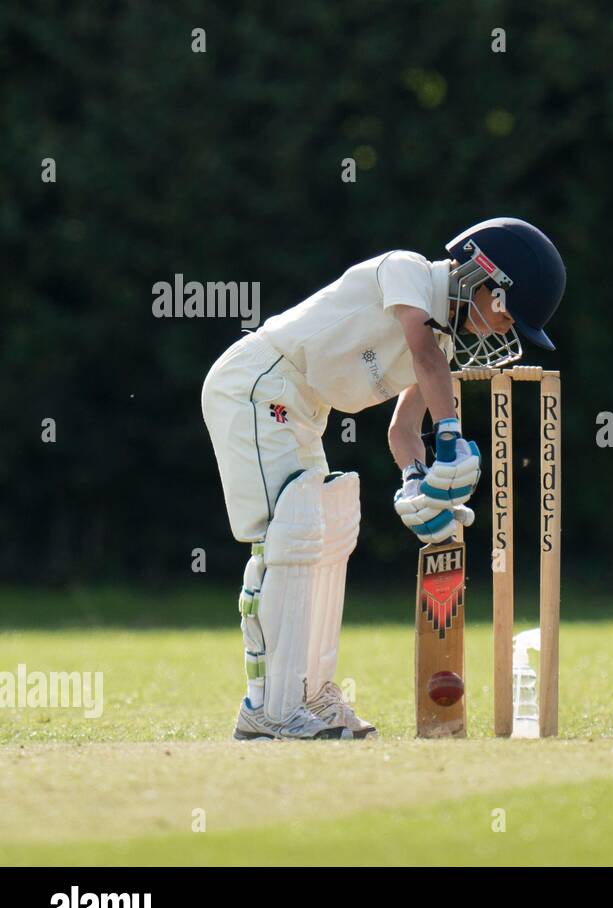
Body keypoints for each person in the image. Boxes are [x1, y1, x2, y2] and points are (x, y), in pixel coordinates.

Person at [201, 218, 565, 739]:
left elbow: (400, 431)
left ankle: (309, 694)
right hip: (256, 383)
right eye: (509, 314)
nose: (506, 329)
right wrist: (451, 437)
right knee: (291, 536)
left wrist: (418, 480)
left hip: (301, 405)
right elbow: (421, 354)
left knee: (328, 530)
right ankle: (267, 710)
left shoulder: (442, 349)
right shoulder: (408, 271)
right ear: (483, 276)